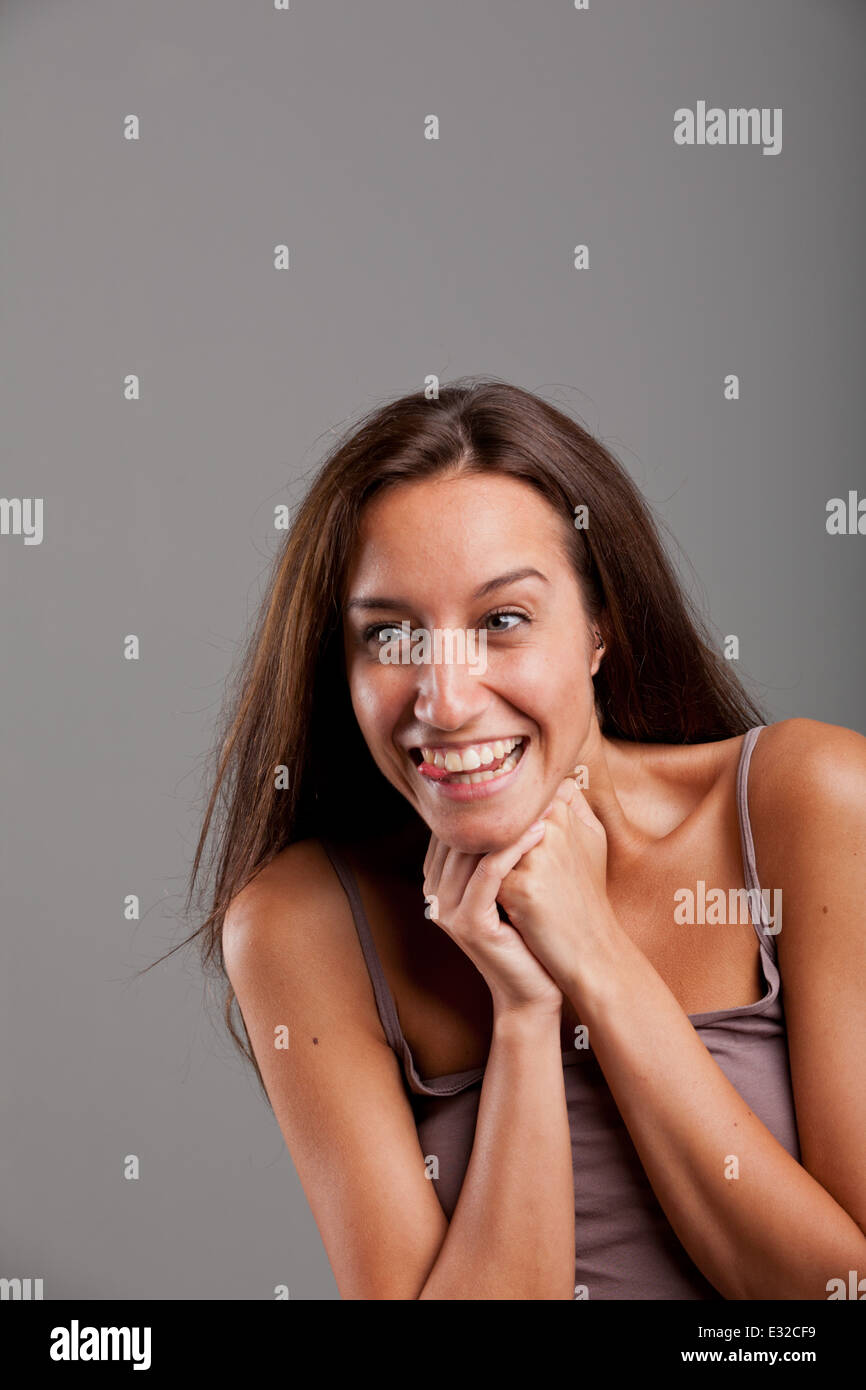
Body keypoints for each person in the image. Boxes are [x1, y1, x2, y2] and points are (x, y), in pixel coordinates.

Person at [187, 377, 866, 1299]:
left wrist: (593, 955)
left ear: (597, 631)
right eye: (389, 638)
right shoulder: (299, 926)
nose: (447, 699)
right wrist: (524, 1010)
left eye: (503, 621)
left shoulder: (809, 802)